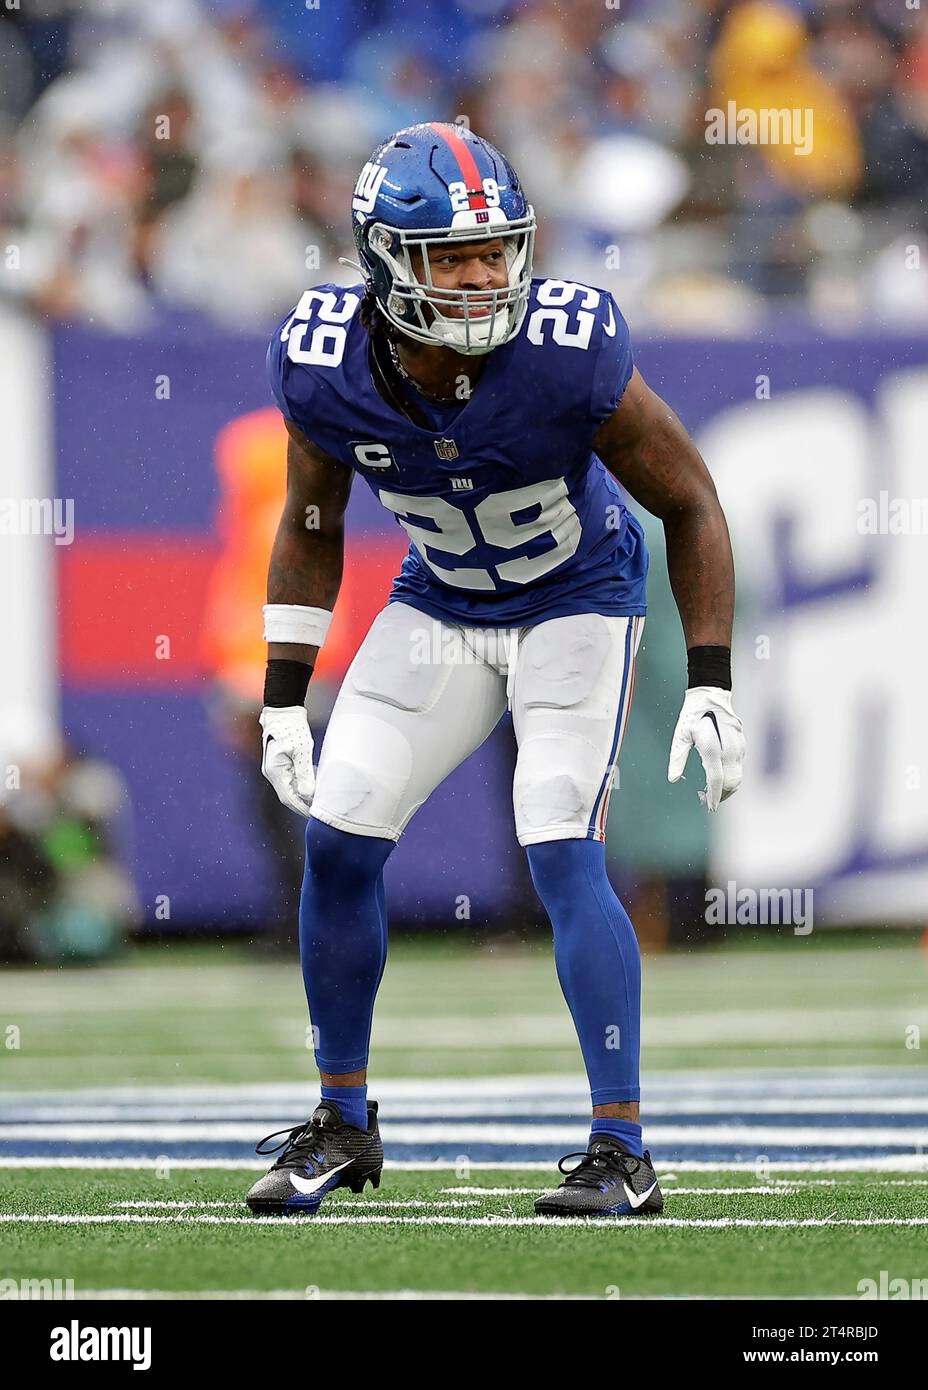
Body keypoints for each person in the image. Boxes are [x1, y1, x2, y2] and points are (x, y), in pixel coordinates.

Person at [246, 122, 745, 1219]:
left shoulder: (567, 348)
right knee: (336, 840)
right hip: (442, 606)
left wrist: (709, 675)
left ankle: (622, 1148)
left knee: (562, 845)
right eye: (450, 258)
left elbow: (691, 500)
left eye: (495, 251)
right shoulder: (326, 356)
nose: (481, 277)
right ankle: (343, 1118)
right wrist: (283, 693)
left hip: (576, 601)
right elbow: (314, 517)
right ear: (383, 261)